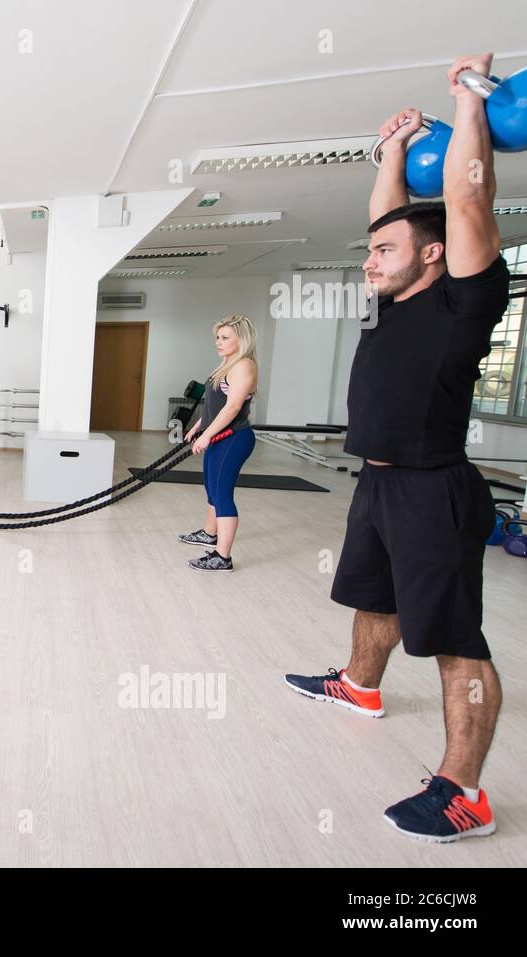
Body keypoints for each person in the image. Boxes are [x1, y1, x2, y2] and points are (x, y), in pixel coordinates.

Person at [285, 54, 509, 842]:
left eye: (384, 252)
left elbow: (468, 195)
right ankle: (361, 686)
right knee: (372, 599)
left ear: (435, 254)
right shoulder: (387, 303)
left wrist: (466, 102)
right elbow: (393, 221)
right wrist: (390, 154)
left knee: (454, 642)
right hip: (377, 485)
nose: (371, 259)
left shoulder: (465, 298)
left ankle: (464, 791)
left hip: (433, 490)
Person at [178, 316, 258, 571]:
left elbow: (233, 407)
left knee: (223, 494)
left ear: (241, 340)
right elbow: (218, 405)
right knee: (211, 489)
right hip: (218, 435)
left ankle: (222, 557)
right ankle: (209, 532)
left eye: (225, 338)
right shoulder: (227, 364)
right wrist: (199, 426)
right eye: (217, 337)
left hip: (233, 438)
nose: (218, 342)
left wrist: (206, 436)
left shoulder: (244, 366)